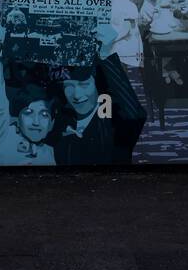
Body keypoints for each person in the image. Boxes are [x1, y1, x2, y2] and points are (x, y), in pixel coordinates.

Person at [52, 20, 147, 165]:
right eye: (69, 86)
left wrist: (106, 53)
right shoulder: (55, 120)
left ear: (96, 85)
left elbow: (133, 116)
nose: (77, 95)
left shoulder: (112, 120)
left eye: (84, 85)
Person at [0, 53, 56, 165]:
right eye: (28, 113)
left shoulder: (50, 153)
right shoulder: (5, 136)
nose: (36, 122)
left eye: (44, 115)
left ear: (51, 124)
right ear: (17, 120)